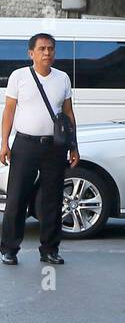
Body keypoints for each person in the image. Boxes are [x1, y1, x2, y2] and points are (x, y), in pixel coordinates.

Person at [1, 32, 78, 265]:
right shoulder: (19, 76)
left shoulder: (63, 78)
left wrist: (74, 145)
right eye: (42, 49)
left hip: (54, 147)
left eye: (51, 49)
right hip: (25, 145)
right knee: (17, 197)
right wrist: (4, 142)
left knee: (53, 199)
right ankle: (9, 249)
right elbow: (9, 111)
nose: (47, 53)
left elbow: (68, 113)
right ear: (31, 53)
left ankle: (49, 249)